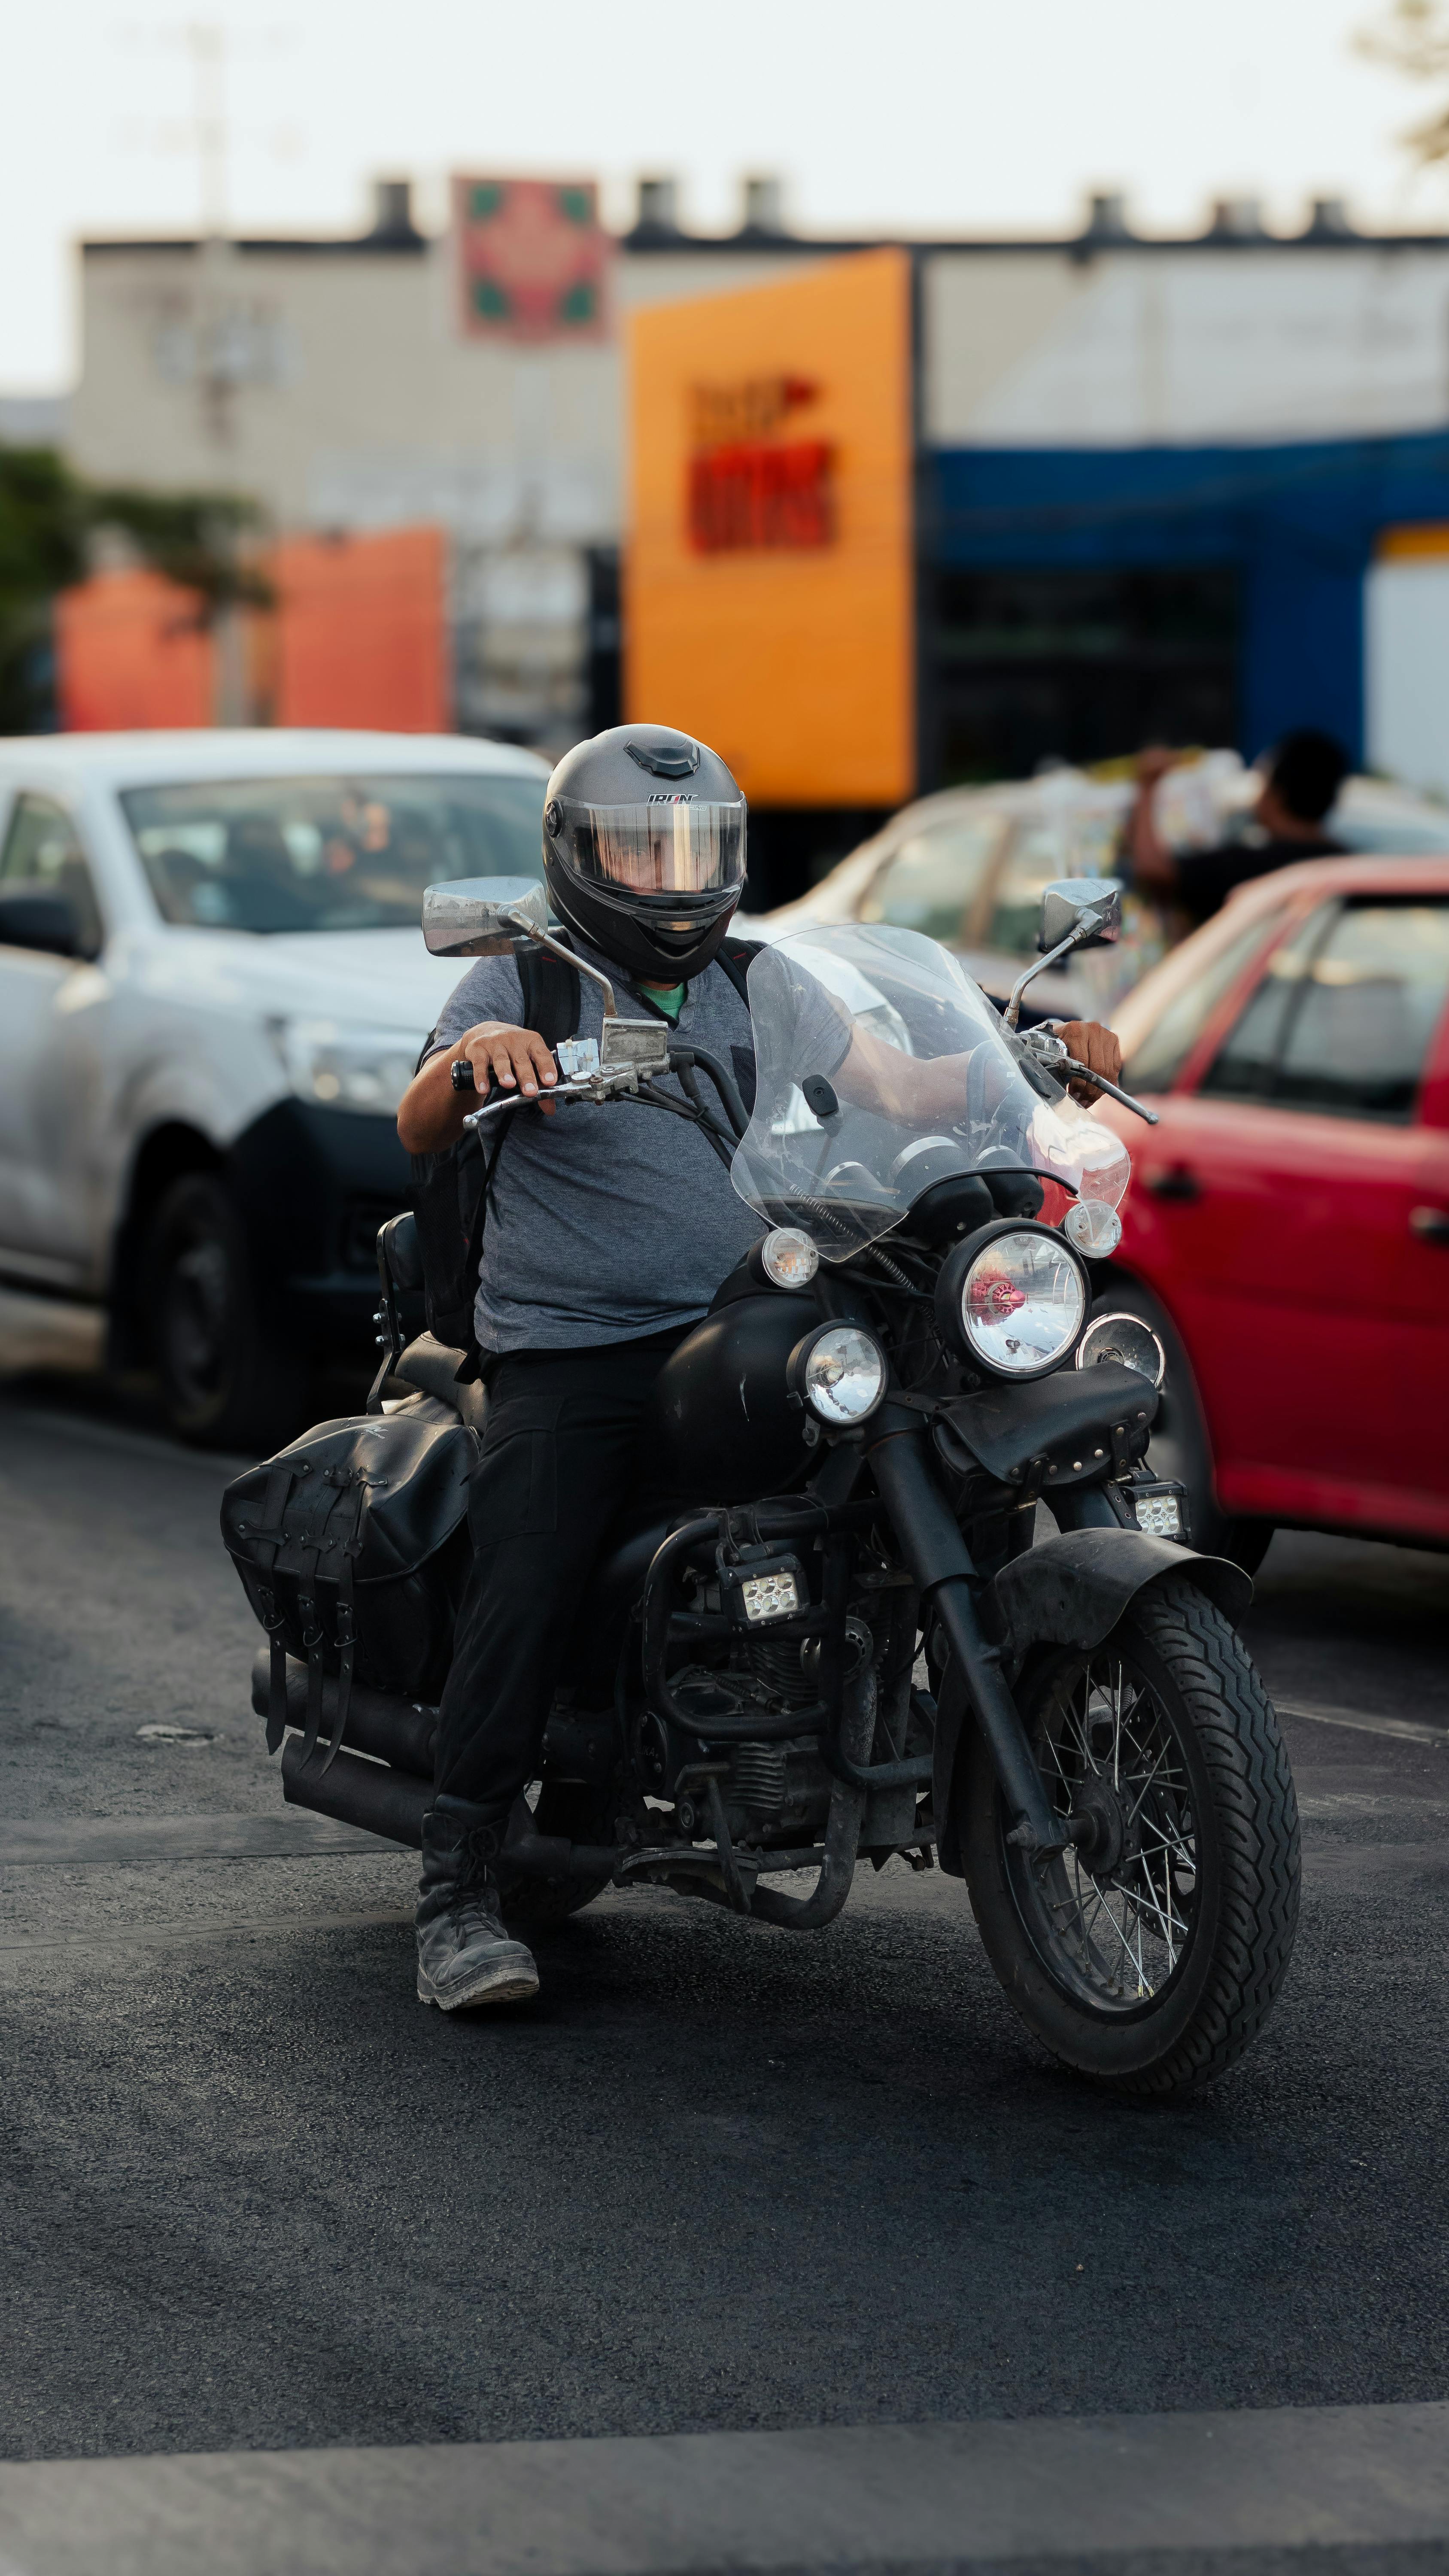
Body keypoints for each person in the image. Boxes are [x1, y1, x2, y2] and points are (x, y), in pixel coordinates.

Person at [394, 722, 1124, 2014]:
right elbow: (420, 1114)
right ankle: (457, 1888)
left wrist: (1033, 1053)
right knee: (533, 1558)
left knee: (929, 1432)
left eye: (697, 851)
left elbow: (898, 1079)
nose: (673, 880)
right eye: (639, 850)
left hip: (760, 1306)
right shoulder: (528, 979)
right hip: (579, 1343)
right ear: (575, 857)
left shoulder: (765, 977)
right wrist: (474, 1067)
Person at [1124, 729, 1349, 926]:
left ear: (1276, 795)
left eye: (1263, 781)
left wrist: (1147, 787)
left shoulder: (1250, 866)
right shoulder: (1348, 865)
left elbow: (1153, 870)